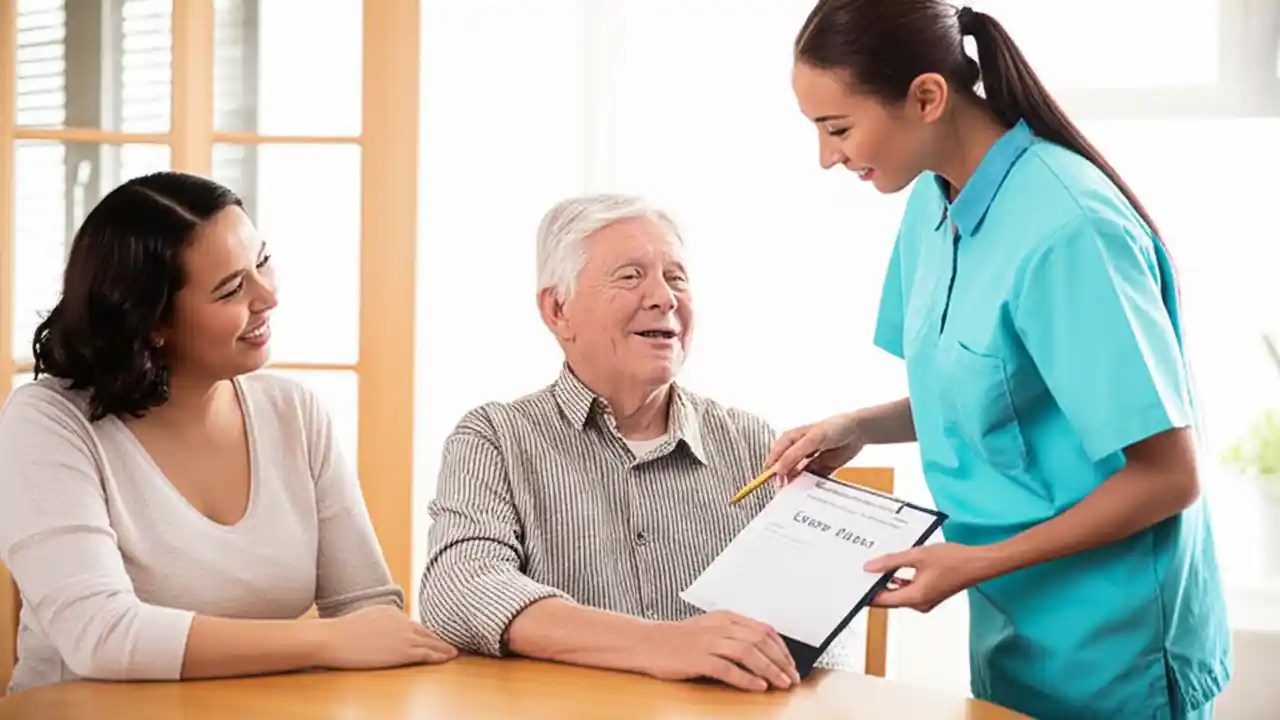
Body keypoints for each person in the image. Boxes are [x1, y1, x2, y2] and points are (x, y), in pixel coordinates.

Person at [768, 2, 1231, 718]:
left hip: (1112, 649)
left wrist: (972, 563)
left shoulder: (1070, 230)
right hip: (1011, 631)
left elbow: (1170, 476)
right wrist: (854, 426)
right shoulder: (931, 203)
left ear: (926, 96)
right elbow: (992, 394)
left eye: (838, 128)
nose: (828, 157)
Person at [0, 172, 456, 694]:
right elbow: (100, 635)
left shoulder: (293, 413)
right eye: (232, 289)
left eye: (261, 262)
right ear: (153, 323)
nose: (267, 297)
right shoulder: (47, 423)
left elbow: (366, 610)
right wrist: (326, 642)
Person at [420, 194, 834, 692]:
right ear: (558, 309)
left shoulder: (751, 444)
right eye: (631, 276)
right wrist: (656, 644)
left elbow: (813, 634)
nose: (664, 298)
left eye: (676, 277)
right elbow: (460, 590)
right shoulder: (496, 438)